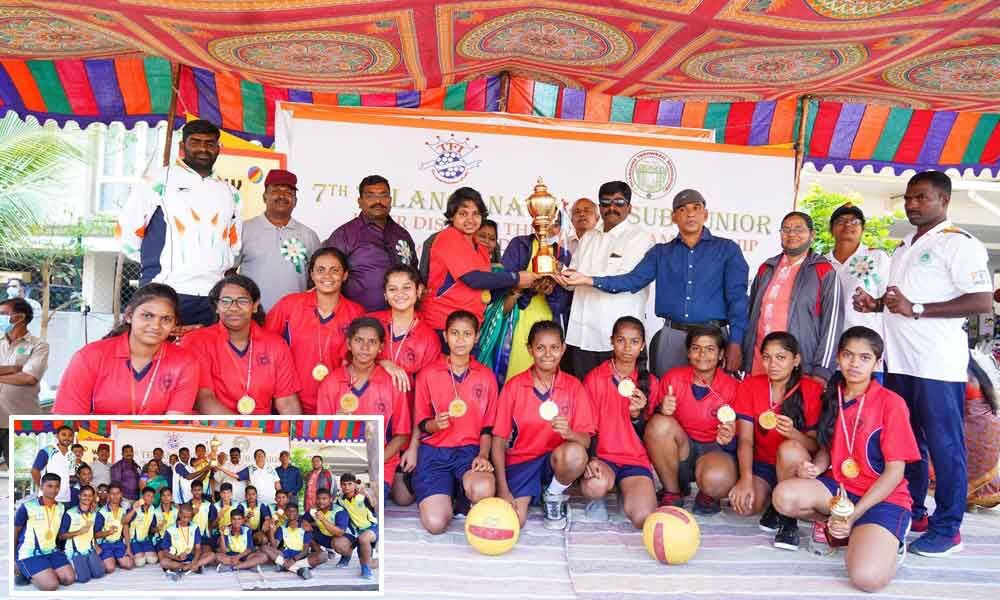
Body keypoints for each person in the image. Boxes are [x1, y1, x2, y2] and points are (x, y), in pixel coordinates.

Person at [853, 171, 993, 557]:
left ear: (943, 201)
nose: (912, 204)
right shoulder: (903, 247)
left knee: (946, 447)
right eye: (909, 198)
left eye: (921, 198)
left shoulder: (959, 245)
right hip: (899, 363)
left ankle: (949, 527)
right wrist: (876, 303)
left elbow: (981, 301)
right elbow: (902, 300)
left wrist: (916, 309)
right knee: (906, 444)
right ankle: (914, 511)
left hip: (935, 366)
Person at [773, 327, 919, 592]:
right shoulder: (834, 395)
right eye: (848, 355)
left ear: (877, 363)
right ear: (838, 358)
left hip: (882, 499)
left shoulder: (892, 403)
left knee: (866, 579)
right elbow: (830, 446)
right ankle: (837, 526)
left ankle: (885, 539)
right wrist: (815, 467)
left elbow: (895, 473)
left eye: (864, 358)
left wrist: (855, 515)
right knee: (783, 496)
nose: (854, 363)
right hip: (839, 491)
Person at [559, 189, 748, 376]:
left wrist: (736, 342)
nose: (690, 213)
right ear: (673, 217)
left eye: (696, 208)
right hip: (672, 337)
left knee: (715, 400)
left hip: (712, 338)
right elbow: (632, 281)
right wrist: (588, 280)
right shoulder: (661, 252)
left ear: (705, 214)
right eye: (682, 209)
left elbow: (738, 300)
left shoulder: (727, 250)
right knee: (666, 397)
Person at [116, 119, 242, 326]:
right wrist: (156, 266)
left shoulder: (230, 192)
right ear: (182, 147)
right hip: (164, 290)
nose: (203, 148)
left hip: (212, 295)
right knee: (158, 356)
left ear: (218, 149)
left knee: (202, 357)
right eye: (195, 142)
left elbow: (234, 246)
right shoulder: (157, 181)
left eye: (210, 143)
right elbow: (127, 235)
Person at [492, 320, 596, 529]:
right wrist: (503, 488)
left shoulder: (573, 386)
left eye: (554, 347)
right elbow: (498, 440)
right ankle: (533, 492)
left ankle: (553, 494)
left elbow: (585, 441)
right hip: (521, 463)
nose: (548, 354)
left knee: (574, 453)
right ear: (530, 349)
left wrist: (569, 432)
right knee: (513, 522)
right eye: (540, 348)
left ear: (563, 349)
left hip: (555, 463)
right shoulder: (514, 386)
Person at [730, 332, 824, 549]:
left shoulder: (811, 390)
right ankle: (775, 501)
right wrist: (745, 480)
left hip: (795, 469)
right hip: (762, 466)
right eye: (767, 357)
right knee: (745, 506)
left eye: (780, 357)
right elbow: (745, 439)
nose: (772, 364)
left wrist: (794, 434)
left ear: (796, 360)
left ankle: (788, 521)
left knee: (789, 448)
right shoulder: (751, 385)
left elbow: (816, 446)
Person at [411, 310, 498, 534]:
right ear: (445, 336)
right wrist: (434, 424)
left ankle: (462, 492)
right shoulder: (428, 373)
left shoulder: (486, 376)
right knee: (435, 524)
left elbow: (488, 427)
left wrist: (483, 455)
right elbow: (421, 423)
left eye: (467, 334)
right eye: (455, 333)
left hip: (469, 452)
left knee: (483, 487)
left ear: (476, 337)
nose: (460, 340)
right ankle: (451, 495)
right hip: (435, 453)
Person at [54, 284, 198, 414]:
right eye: (147, 316)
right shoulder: (89, 356)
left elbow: (173, 422)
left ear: (174, 323)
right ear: (129, 316)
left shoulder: (185, 362)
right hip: (97, 441)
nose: (156, 326)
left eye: (166, 319)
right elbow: (68, 418)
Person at [561, 181, 653, 379]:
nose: (612, 207)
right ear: (600, 207)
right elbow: (572, 279)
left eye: (619, 202)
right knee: (583, 396)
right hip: (581, 335)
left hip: (617, 340)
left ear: (629, 207)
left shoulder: (640, 238)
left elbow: (629, 281)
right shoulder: (589, 237)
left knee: (619, 399)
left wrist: (587, 279)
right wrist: (557, 276)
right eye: (606, 202)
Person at [645, 325, 741, 513]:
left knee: (717, 479)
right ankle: (672, 491)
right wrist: (661, 409)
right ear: (688, 353)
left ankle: (708, 493)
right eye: (696, 348)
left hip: (714, 450)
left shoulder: (733, 387)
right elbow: (649, 424)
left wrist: (730, 439)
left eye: (710, 349)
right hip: (682, 450)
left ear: (721, 354)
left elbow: (744, 437)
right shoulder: (672, 378)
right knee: (659, 425)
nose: (702, 354)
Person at [420, 187, 537, 337]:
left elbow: (486, 290)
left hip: (469, 326)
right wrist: (516, 278)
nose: (470, 220)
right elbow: (474, 279)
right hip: (443, 325)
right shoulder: (448, 237)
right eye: (463, 214)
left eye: (476, 214)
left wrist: (518, 287)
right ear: (451, 217)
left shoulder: (480, 247)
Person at [317, 317, 411, 501]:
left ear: (381, 347)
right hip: (342, 461)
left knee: (367, 504)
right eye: (359, 340)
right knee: (330, 504)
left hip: (380, 463)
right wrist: (336, 422)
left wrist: (375, 462)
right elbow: (322, 431)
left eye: (372, 342)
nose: (365, 347)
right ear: (349, 344)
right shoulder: (331, 382)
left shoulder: (392, 383)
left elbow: (402, 434)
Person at [743, 212, 843, 383]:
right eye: (786, 229)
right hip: (760, 363)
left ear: (812, 235)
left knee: (789, 410)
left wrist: (822, 370)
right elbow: (750, 315)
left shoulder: (823, 271)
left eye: (799, 229)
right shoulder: (766, 268)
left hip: (801, 367)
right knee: (757, 409)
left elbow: (832, 325)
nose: (792, 234)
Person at [181, 274, 302, 415]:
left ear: (255, 306)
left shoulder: (276, 344)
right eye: (226, 301)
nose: (234, 308)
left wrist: (294, 433)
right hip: (212, 430)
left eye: (243, 301)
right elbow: (203, 398)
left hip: (262, 431)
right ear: (216, 307)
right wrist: (243, 433)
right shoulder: (196, 341)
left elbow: (287, 402)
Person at [265, 247, 365, 414]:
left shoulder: (356, 312)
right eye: (320, 270)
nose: (327, 276)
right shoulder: (289, 305)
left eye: (335, 270)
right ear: (311, 275)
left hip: (336, 405)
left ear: (345, 275)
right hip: (289, 403)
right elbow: (265, 346)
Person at [580, 316, 657, 528]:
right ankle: (600, 497)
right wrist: (591, 459)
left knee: (643, 518)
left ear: (642, 345)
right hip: (604, 458)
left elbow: (651, 434)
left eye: (634, 342)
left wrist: (636, 416)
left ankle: (627, 492)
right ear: (611, 341)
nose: (627, 348)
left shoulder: (649, 382)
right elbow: (587, 428)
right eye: (621, 340)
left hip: (635, 460)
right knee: (595, 485)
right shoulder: (595, 378)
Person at [324, 174, 418, 312]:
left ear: (390, 200)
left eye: (383, 195)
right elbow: (328, 276)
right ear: (360, 202)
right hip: (359, 321)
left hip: (399, 319)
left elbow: (414, 272)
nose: (378, 201)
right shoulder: (345, 234)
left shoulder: (402, 234)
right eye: (370, 196)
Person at [499, 212, 573, 380]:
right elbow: (502, 283)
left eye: (553, 223)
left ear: (559, 227)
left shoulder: (564, 255)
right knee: (515, 373)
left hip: (550, 322)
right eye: (542, 223)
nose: (546, 229)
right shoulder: (519, 245)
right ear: (534, 223)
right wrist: (528, 286)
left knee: (544, 377)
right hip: (518, 320)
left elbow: (565, 302)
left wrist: (552, 290)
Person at [238, 169, 321, 310]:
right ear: (264, 197)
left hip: (295, 317)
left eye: (289, 192)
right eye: (275, 190)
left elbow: (315, 280)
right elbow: (229, 272)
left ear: (295, 201)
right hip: (253, 316)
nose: (282, 196)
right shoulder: (243, 230)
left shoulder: (309, 236)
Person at [825, 204, 890, 346]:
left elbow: (890, 299)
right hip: (828, 342)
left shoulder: (877, 257)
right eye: (841, 221)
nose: (848, 224)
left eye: (854, 221)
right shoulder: (822, 262)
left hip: (866, 343)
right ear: (831, 229)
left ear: (863, 229)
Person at [0, 297, 49, 463]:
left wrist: (18, 373)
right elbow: (21, 375)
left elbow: (29, 377)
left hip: (20, 420)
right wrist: (14, 369)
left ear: (20, 317)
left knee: (19, 470)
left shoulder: (38, 345)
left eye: (3, 314)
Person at [14, 473, 74, 591]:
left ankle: (43, 570)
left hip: (51, 551)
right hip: (30, 553)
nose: (53, 490)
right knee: (51, 585)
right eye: (49, 486)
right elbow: (15, 531)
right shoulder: (27, 506)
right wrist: (14, 558)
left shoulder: (61, 507)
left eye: (57, 486)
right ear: (41, 487)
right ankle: (24, 571)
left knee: (69, 579)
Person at [966, 349, 1000, 508]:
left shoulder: (963, 375)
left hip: (976, 430)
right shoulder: (979, 373)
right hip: (989, 431)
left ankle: (968, 497)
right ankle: (973, 498)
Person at [337, 473, 379, 580]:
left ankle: (367, 566)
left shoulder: (362, 497)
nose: (346, 487)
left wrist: (367, 494)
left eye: (349, 484)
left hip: (371, 528)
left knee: (364, 540)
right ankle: (347, 555)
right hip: (355, 530)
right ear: (340, 486)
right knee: (338, 542)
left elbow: (374, 504)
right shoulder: (340, 500)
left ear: (355, 484)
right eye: (343, 484)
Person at [158, 503, 216, 580]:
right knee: (163, 562)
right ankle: (189, 567)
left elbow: (198, 548)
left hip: (192, 557)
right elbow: (165, 551)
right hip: (178, 558)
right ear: (179, 514)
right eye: (184, 517)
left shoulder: (195, 527)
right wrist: (177, 558)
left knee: (212, 555)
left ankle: (188, 567)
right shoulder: (170, 529)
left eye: (189, 517)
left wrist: (194, 561)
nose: (186, 520)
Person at [59, 484, 104, 584]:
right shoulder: (70, 513)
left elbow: (93, 533)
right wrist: (79, 532)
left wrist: (96, 545)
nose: (87, 498)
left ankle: (85, 564)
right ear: (79, 496)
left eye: (90, 495)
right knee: (84, 578)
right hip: (74, 551)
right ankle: (68, 564)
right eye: (84, 495)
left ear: (93, 497)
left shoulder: (94, 513)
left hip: (89, 549)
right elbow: (61, 536)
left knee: (99, 574)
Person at [260, 503, 318, 579]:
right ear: (285, 513)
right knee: (263, 548)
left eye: (293, 511)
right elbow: (274, 546)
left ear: (297, 513)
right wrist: (271, 530)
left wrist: (294, 559)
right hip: (285, 554)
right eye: (288, 511)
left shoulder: (304, 525)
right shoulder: (282, 526)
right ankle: (298, 570)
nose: (291, 513)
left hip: (300, 555)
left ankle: (283, 565)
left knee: (323, 556)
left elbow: (305, 550)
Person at [301, 487, 351, 566]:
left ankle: (346, 556)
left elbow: (340, 533)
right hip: (324, 536)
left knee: (338, 544)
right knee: (304, 532)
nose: (321, 501)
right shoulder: (314, 510)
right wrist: (306, 524)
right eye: (318, 499)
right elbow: (302, 520)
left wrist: (323, 519)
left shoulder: (339, 511)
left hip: (339, 538)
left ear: (330, 499)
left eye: (324, 499)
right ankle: (320, 553)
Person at [94, 483, 133, 573]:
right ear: (108, 495)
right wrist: (108, 532)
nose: (115, 496)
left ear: (121, 494)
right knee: (110, 568)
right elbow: (95, 534)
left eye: (117, 493)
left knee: (129, 565)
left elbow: (126, 530)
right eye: (112, 493)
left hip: (118, 543)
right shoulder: (102, 512)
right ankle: (111, 558)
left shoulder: (123, 510)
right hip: (105, 544)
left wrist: (128, 548)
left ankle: (114, 557)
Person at [31, 424, 76, 503]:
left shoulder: (72, 455)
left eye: (70, 435)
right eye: (63, 434)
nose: (67, 438)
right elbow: (35, 470)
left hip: (65, 498)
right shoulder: (48, 450)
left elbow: (70, 476)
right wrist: (42, 487)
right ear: (57, 436)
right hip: (47, 498)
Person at [215, 507, 268, 572]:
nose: (236, 522)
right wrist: (222, 535)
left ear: (243, 520)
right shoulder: (226, 530)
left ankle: (234, 567)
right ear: (230, 520)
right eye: (234, 519)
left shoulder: (247, 530)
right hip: (231, 556)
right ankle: (248, 565)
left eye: (239, 519)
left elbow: (249, 549)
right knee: (218, 556)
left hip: (245, 555)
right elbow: (223, 551)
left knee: (263, 557)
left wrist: (238, 557)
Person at [124, 487, 160, 566]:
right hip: (134, 540)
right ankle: (133, 553)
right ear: (142, 497)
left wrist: (157, 528)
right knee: (140, 562)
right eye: (148, 496)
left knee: (153, 560)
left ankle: (141, 553)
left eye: (152, 497)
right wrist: (134, 508)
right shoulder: (136, 508)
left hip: (145, 540)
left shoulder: (152, 509)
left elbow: (152, 529)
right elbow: (124, 521)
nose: (150, 498)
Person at [188, 481, 217, 551]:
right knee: (194, 552)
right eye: (195, 490)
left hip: (205, 536)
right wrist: (192, 514)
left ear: (202, 490)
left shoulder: (209, 505)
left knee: (207, 552)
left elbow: (212, 523)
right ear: (191, 491)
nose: (197, 492)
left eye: (199, 490)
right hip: (191, 536)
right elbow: (184, 523)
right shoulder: (187, 505)